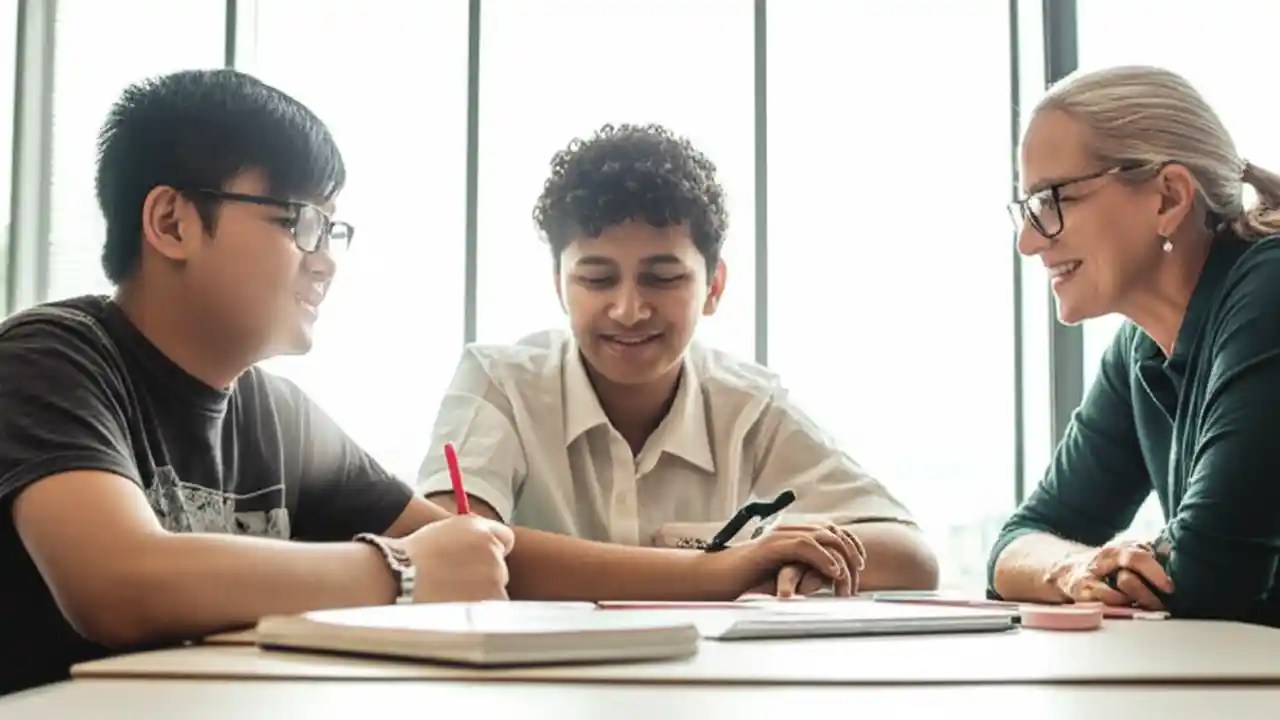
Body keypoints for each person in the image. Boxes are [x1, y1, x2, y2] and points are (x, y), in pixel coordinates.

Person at [0, 71, 862, 695]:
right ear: (172, 221)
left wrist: (731, 569)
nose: (325, 258)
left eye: (336, 228)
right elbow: (117, 581)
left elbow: (492, 557)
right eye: (302, 221)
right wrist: (405, 571)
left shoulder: (278, 416)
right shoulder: (53, 360)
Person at [419, 123, 938, 596]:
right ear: (559, 286)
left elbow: (910, 555)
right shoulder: (500, 382)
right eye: (597, 279)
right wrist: (732, 568)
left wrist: (800, 560)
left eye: (662, 278)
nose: (627, 310)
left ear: (714, 286)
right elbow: (445, 547)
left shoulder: (747, 405)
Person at [990, 65, 1280, 626]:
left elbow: (1209, 573)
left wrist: (1104, 570)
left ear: (1167, 197)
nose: (1028, 241)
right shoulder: (1140, 352)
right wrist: (1071, 570)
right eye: (1028, 209)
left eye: (1052, 200)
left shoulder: (1270, 289)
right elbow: (1017, 541)